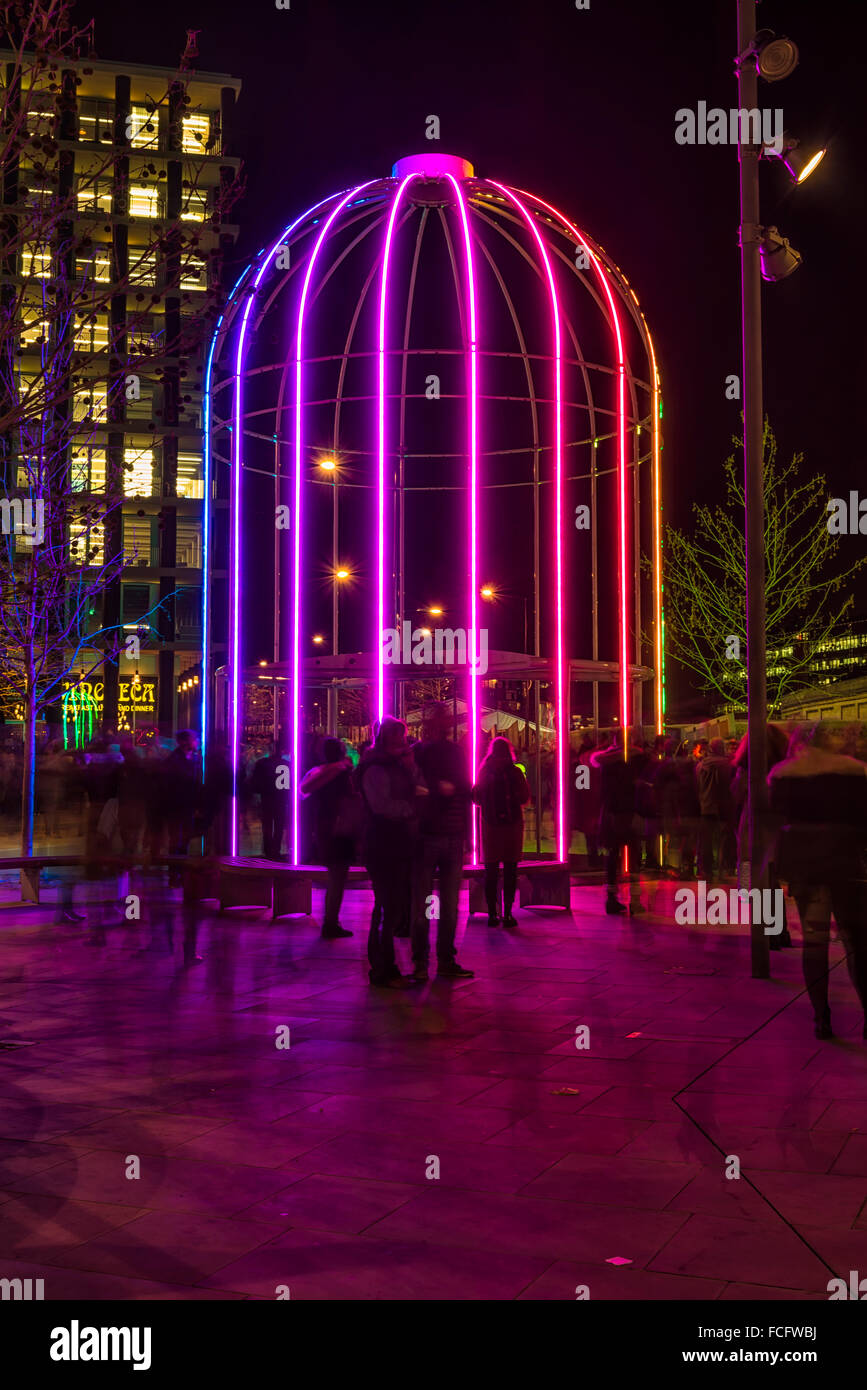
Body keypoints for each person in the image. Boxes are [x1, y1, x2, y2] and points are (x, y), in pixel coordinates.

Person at [769, 723, 867, 1040]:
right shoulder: (855, 773)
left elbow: (776, 818)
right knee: (857, 941)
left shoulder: (784, 775)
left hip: (806, 867)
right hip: (845, 862)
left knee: (815, 943)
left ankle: (821, 1016)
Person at [358, 717, 425, 987]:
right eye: (399, 737)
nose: (404, 742)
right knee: (386, 905)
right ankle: (382, 967)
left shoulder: (396, 765)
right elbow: (381, 805)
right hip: (383, 842)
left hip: (397, 841)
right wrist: (412, 808)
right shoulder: (375, 768)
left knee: (391, 905)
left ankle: (386, 965)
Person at [410, 703, 474, 980]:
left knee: (423, 902)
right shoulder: (455, 753)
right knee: (448, 904)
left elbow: (414, 790)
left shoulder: (418, 753)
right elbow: (465, 788)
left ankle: (422, 962)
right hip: (449, 832)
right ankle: (444, 959)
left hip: (427, 834)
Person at [300, 737, 359, 939]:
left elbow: (305, 790)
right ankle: (331, 922)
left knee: (335, 877)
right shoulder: (342, 774)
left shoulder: (318, 772)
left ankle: (331, 921)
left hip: (324, 827)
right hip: (340, 829)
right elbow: (352, 798)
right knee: (338, 878)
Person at [471, 736, 530, 928]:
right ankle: (508, 913)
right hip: (512, 825)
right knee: (510, 871)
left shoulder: (484, 771)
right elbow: (524, 796)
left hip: (490, 825)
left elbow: (476, 797)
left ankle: (491, 913)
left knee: (491, 871)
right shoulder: (515, 771)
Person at [590, 729, 641, 915]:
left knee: (611, 857)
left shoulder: (605, 760)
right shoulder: (633, 758)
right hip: (628, 811)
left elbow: (595, 762)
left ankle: (611, 898)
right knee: (634, 856)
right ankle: (635, 900)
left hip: (610, 812)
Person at [696, 737, 733, 883]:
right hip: (723, 807)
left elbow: (697, 786)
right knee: (725, 839)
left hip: (706, 807)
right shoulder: (727, 765)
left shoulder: (700, 765)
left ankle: (707, 870)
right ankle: (723, 869)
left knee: (707, 841)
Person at [249, 740, 289, 860]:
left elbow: (255, 782)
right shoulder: (287, 764)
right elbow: (289, 784)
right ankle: (275, 851)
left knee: (267, 825)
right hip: (281, 799)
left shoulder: (262, 763)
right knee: (279, 826)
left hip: (267, 797)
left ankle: (268, 851)